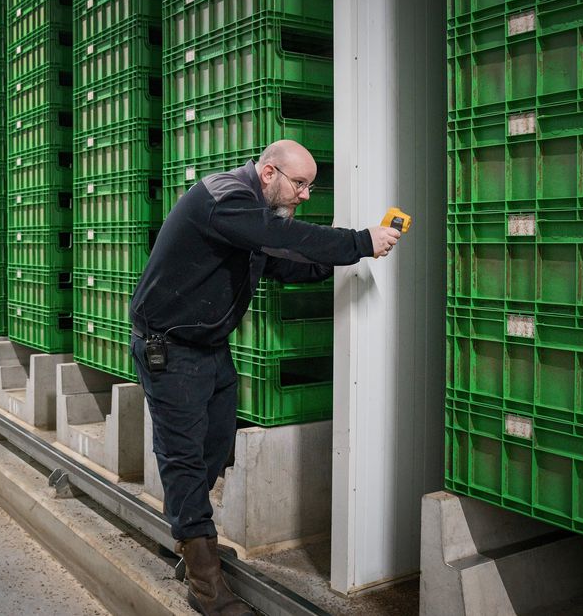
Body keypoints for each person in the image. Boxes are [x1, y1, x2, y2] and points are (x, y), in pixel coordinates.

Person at [129, 139, 400, 615]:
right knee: (184, 458)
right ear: (270, 173)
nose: (305, 195)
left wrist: (355, 257)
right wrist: (359, 239)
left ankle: (194, 543)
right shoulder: (224, 197)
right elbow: (288, 239)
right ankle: (205, 584)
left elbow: (283, 260)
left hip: (209, 348)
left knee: (216, 444)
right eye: (300, 184)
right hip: (170, 350)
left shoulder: (250, 221)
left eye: (311, 187)